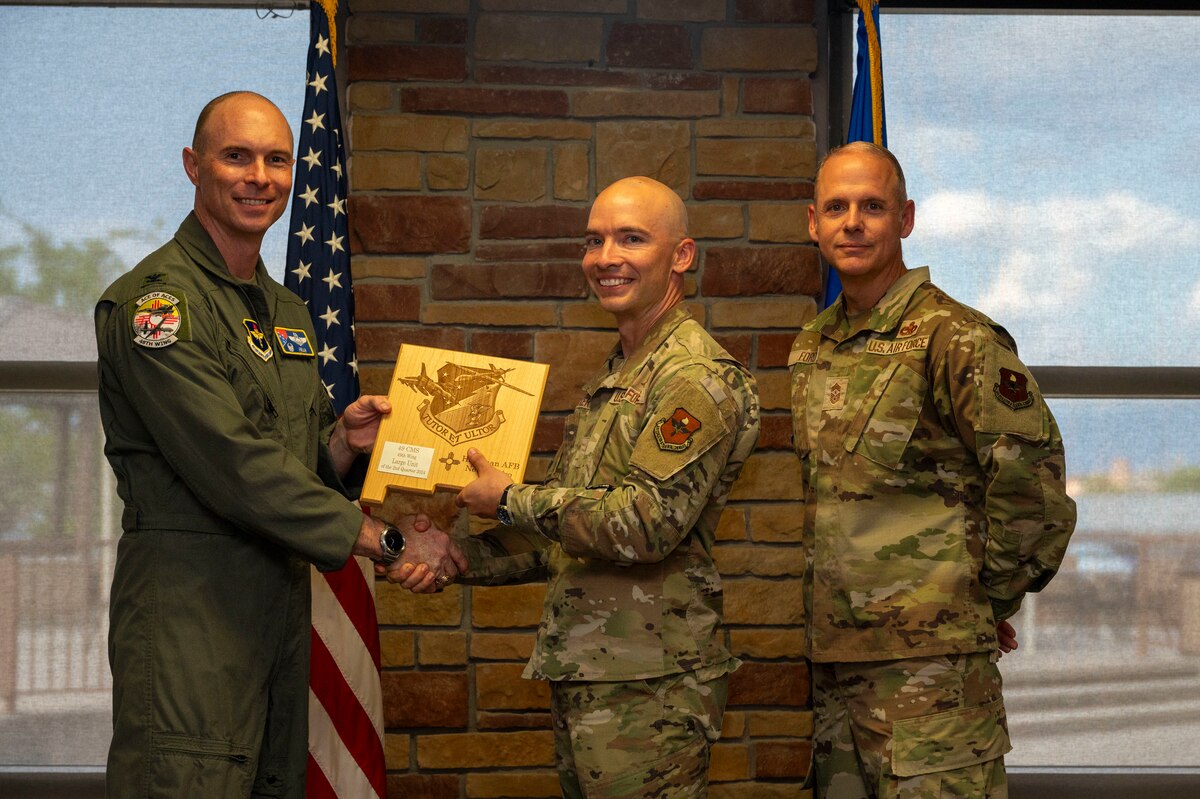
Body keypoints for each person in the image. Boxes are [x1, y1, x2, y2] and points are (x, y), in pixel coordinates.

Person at [95, 91, 461, 798]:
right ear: (193, 166)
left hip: (279, 612)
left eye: (276, 159)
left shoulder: (285, 309)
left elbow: (289, 456)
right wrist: (389, 542)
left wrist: (343, 446)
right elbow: (236, 467)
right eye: (236, 156)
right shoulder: (156, 306)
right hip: (192, 623)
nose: (259, 176)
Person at [440, 176, 760, 798]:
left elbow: (643, 525)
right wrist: (454, 558)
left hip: (651, 688)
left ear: (681, 255)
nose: (606, 258)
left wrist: (510, 498)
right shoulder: (618, 378)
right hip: (597, 673)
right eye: (594, 241)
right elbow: (559, 537)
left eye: (631, 239)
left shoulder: (693, 379)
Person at [790, 141, 1077, 798]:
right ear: (813, 222)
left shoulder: (957, 337)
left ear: (905, 218)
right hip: (837, 684)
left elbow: (1033, 490)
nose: (852, 222)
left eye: (872, 206)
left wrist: (978, 600)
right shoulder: (813, 347)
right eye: (836, 207)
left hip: (934, 694)